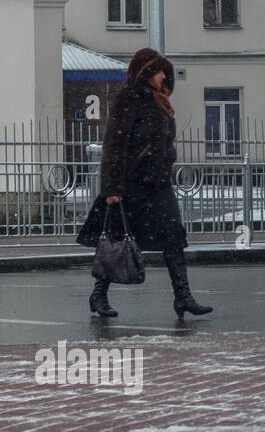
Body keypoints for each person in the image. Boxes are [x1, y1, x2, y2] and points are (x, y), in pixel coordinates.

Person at [76, 48, 212, 319]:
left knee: (174, 239)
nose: (165, 76)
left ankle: (183, 297)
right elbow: (113, 145)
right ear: (147, 72)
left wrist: (167, 159)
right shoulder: (128, 99)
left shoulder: (161, 101)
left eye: (165, 71)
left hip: (159, 184)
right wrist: (112, 188)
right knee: (118, 241)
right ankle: (98, 294)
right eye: (160, 70)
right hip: (131, 184)